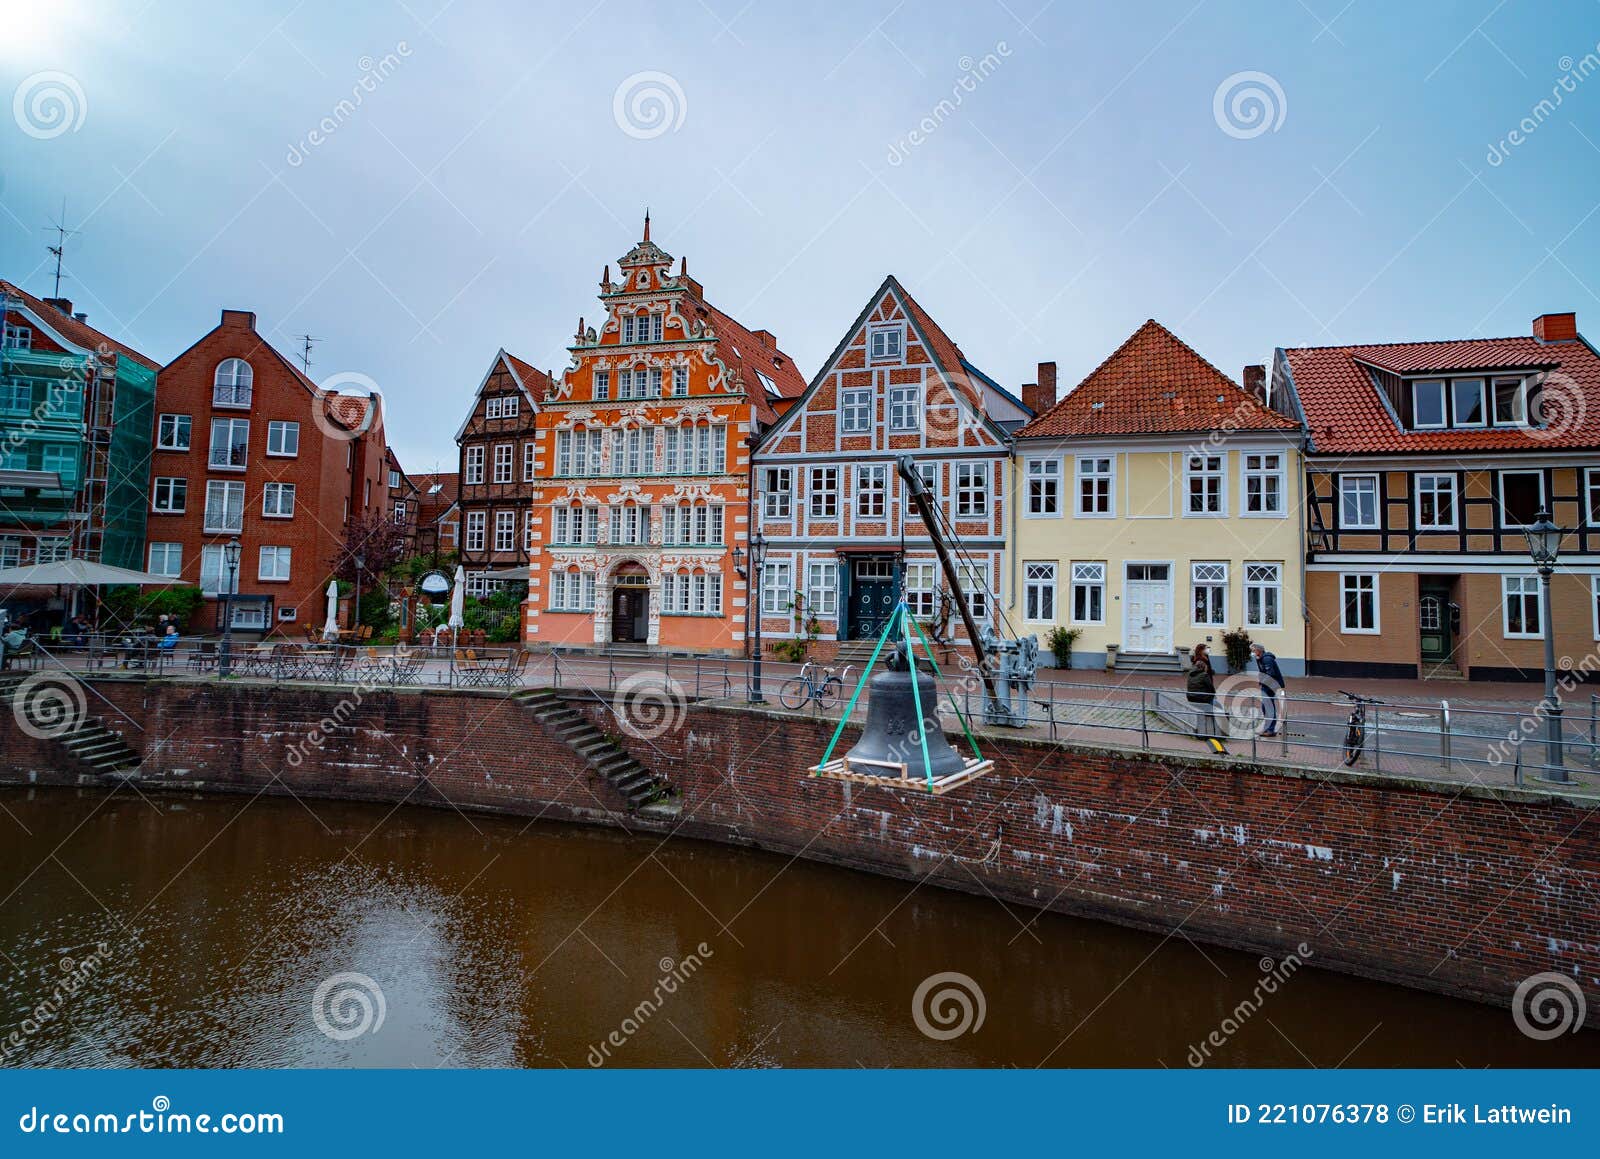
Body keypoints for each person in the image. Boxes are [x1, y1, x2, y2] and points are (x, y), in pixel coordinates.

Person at [1186, 643, 1224, 748]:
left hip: (1193, 696)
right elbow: (1211, 689)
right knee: (1218, 707)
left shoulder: (1192, 673)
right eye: (1206, 648)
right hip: (1202, 696)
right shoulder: (1202, 668)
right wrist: (1211, 694)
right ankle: (1217, 731)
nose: (1208, 650)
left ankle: (1214, 729)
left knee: (1214, 704)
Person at [1250, 642, 1286, 738]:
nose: (1252, 652)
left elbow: (1270, 674)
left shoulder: (1267, 659)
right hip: (1267, 684)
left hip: (1271, 685)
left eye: (1253, 650)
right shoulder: (1260, 658)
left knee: (1268, 707)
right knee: (1265, 707)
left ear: (1259, 651)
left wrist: (1263, 682)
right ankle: (1268, 728)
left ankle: (1270, 730)